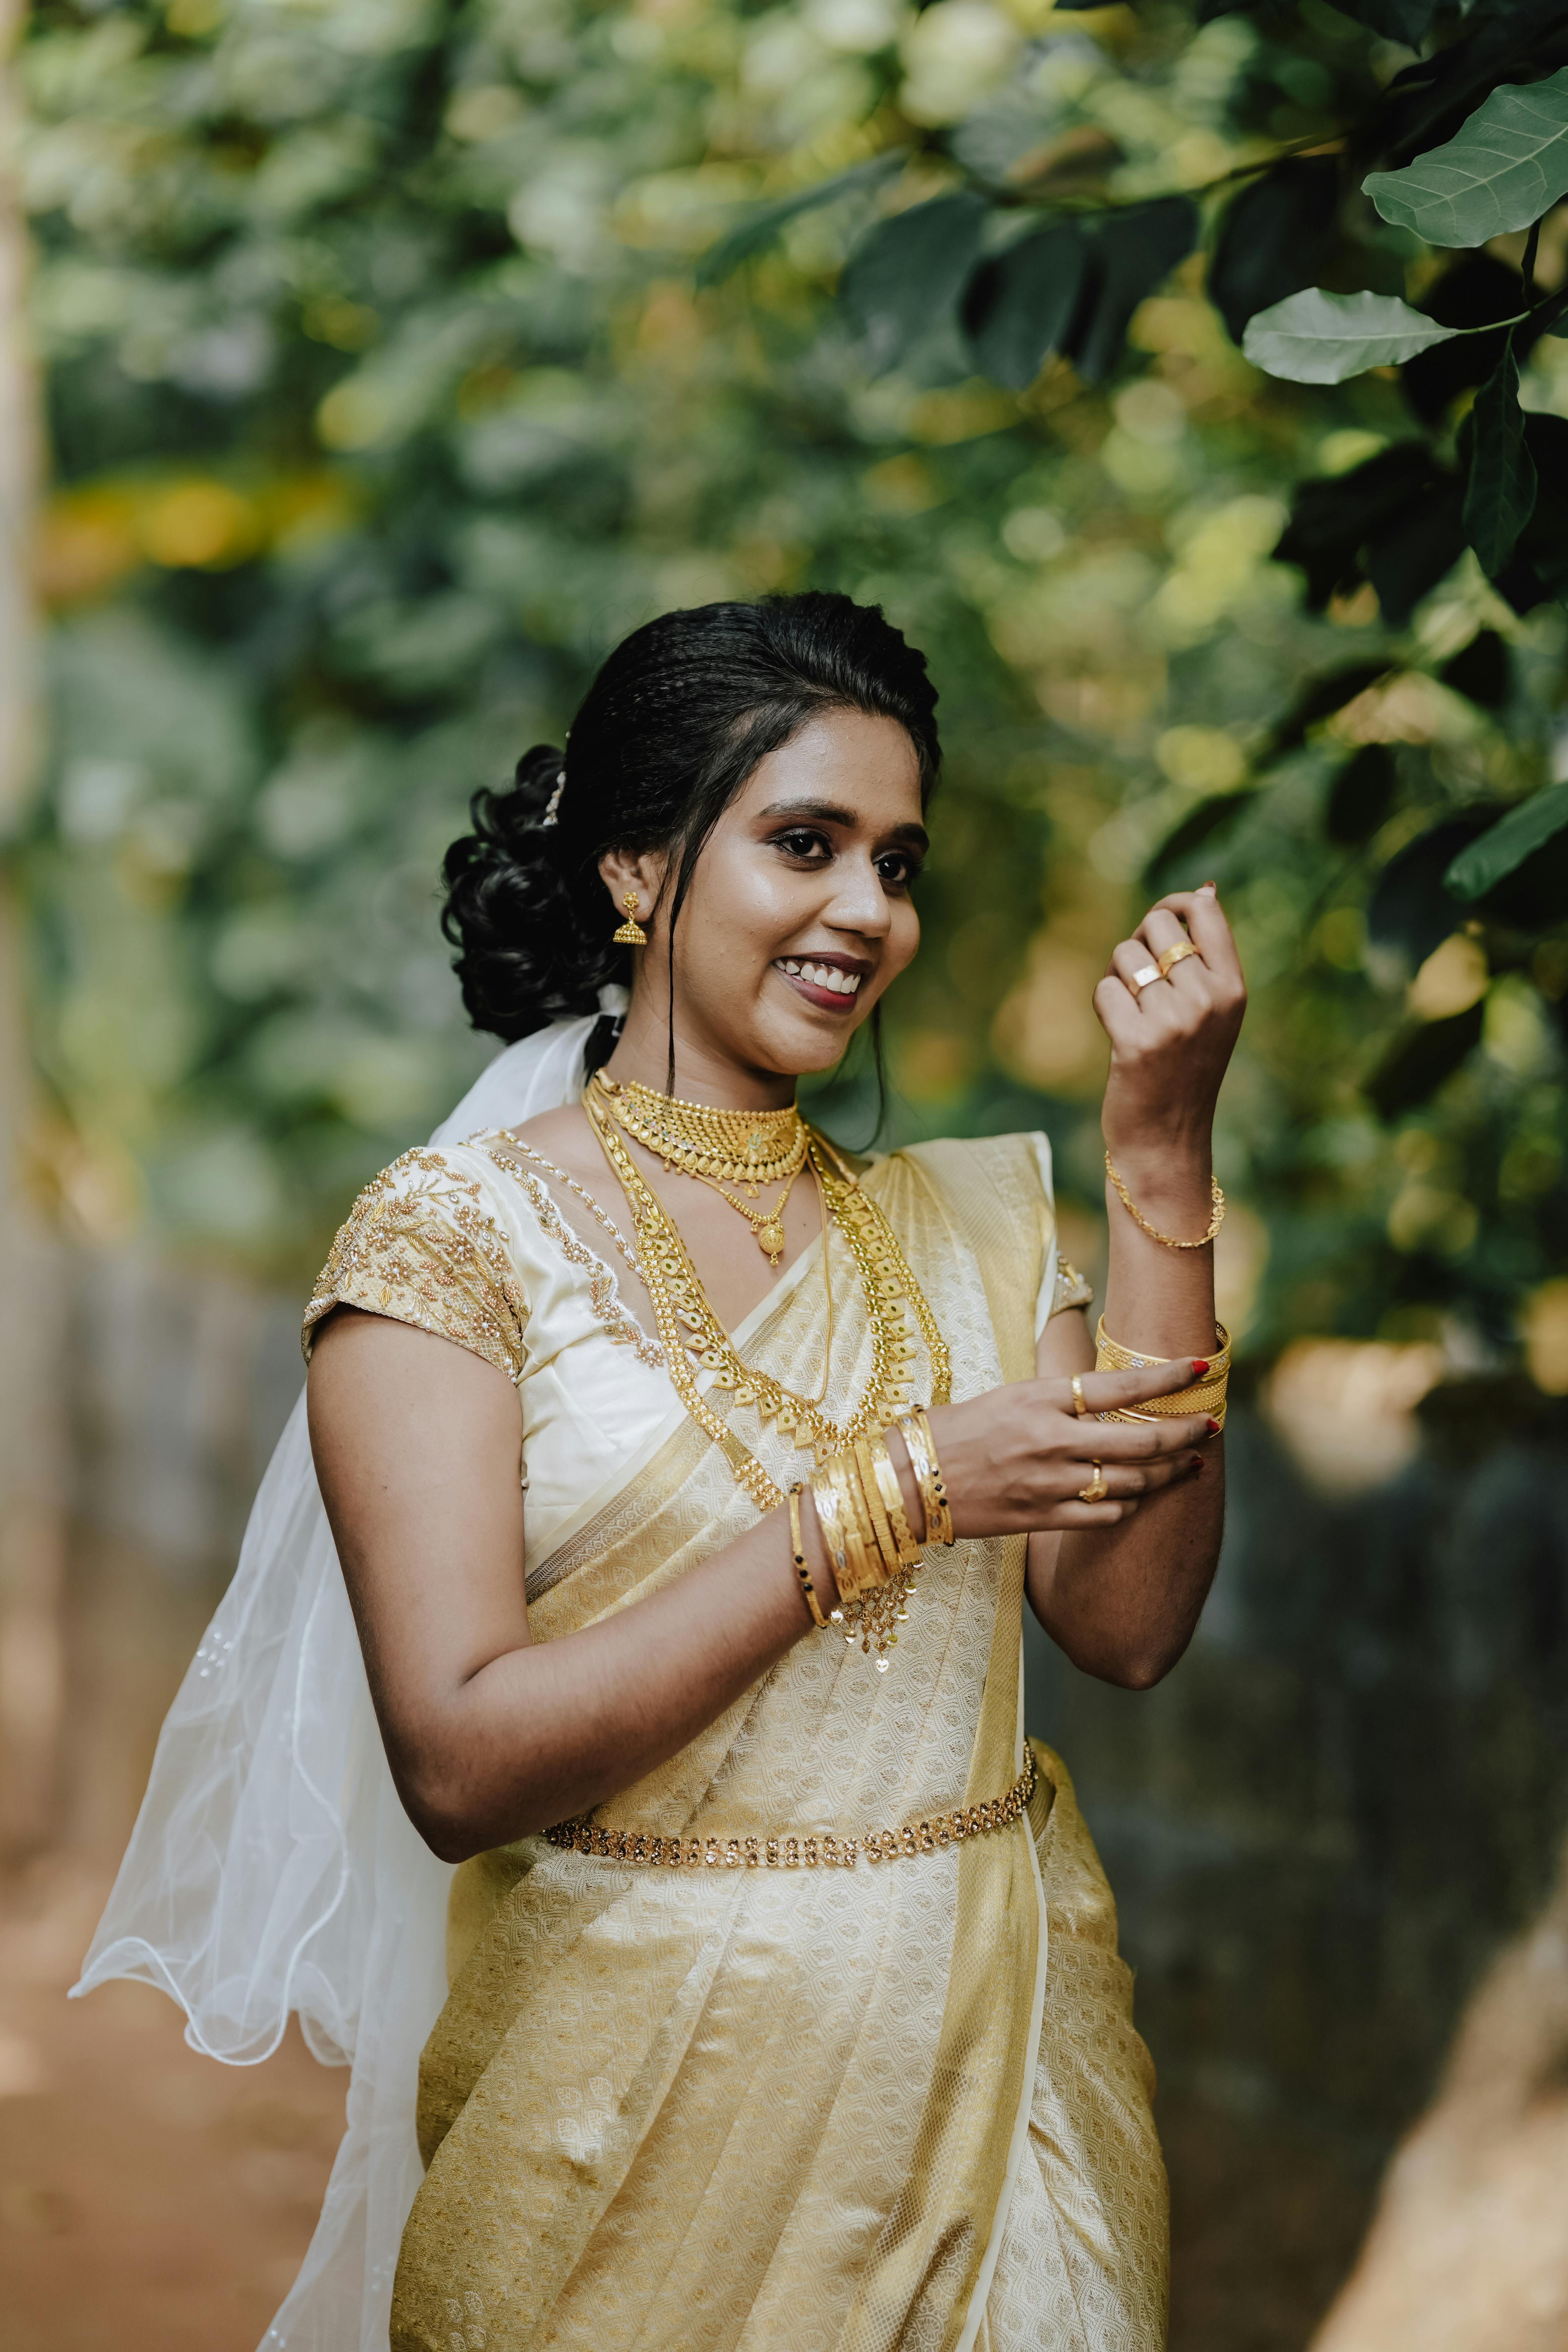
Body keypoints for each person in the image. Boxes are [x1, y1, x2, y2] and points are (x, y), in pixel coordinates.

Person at [77, 592, 1244, 2352]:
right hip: (616, 2140)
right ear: (638, 868)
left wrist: (1160, 1162)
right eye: (806, 844)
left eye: (899, 863)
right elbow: (460, 1761)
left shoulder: (978, 1231)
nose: (869, 910)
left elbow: (1133, 1623)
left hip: (997, 2096)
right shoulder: (457, 1243)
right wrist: (894, 1491)